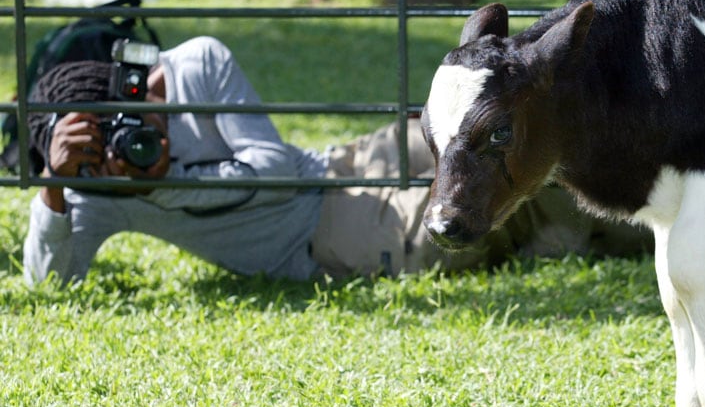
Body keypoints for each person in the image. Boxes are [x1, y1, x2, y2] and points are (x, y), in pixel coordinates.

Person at [23, 36, 651, 286]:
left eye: (125, 119)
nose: (124, 145)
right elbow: (48, 281)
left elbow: (273, 171)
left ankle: (651, 143)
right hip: (316, 239)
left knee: (484, 131)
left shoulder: (193, 66)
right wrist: (55, 190)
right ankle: (659, 216)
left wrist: (166, 177)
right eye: (97, 147)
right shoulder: (90, 183)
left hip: (330, 167)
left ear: (127, 86)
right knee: (483, 208)